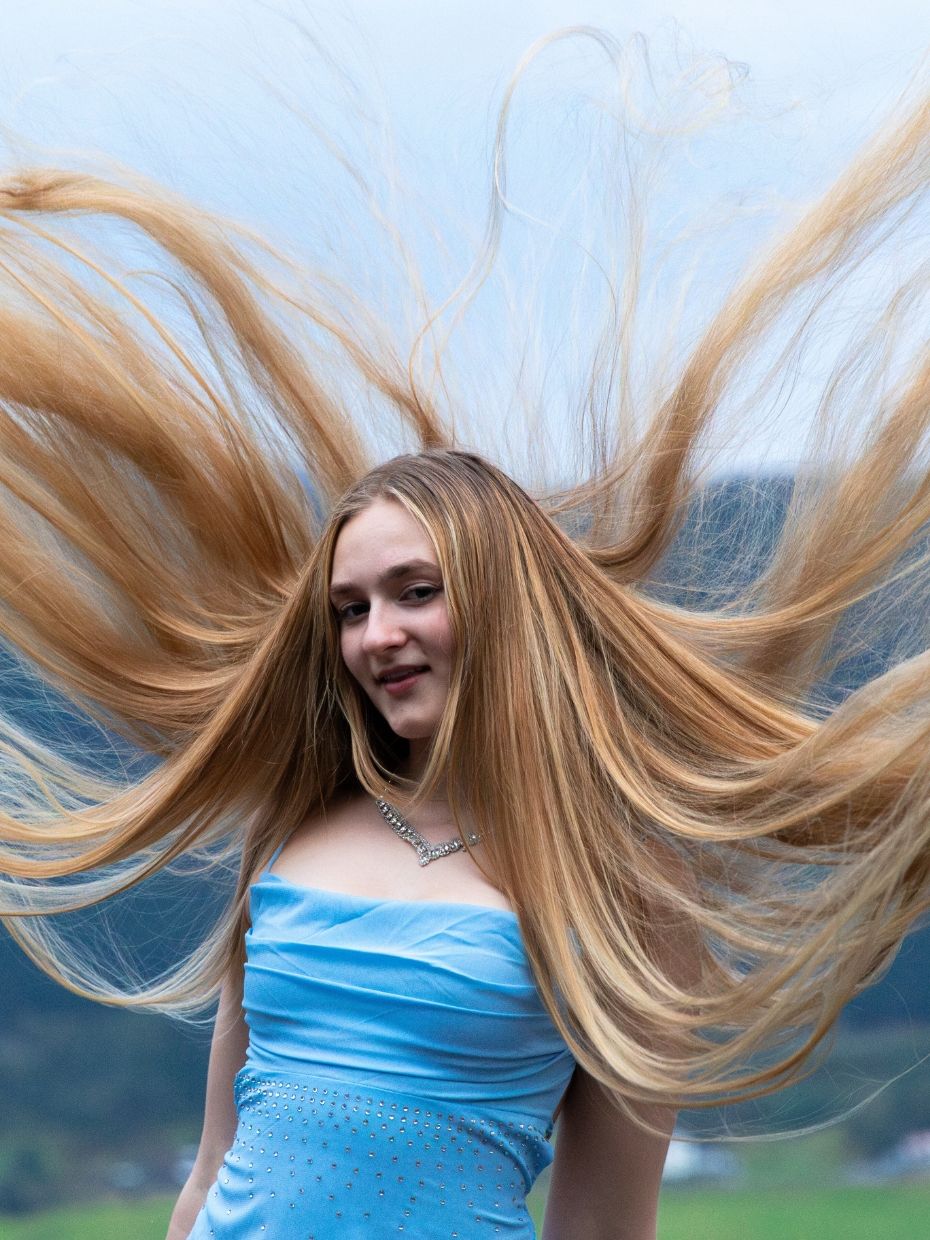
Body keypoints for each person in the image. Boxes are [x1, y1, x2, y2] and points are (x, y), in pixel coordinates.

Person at [2, 24, 930, 1240]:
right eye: (348, 609)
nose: (375, 633)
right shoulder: (290, 829)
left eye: (414, 592)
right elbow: (214, 1167)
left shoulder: (627, 889)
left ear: (499, 606)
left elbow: (601, 1227)